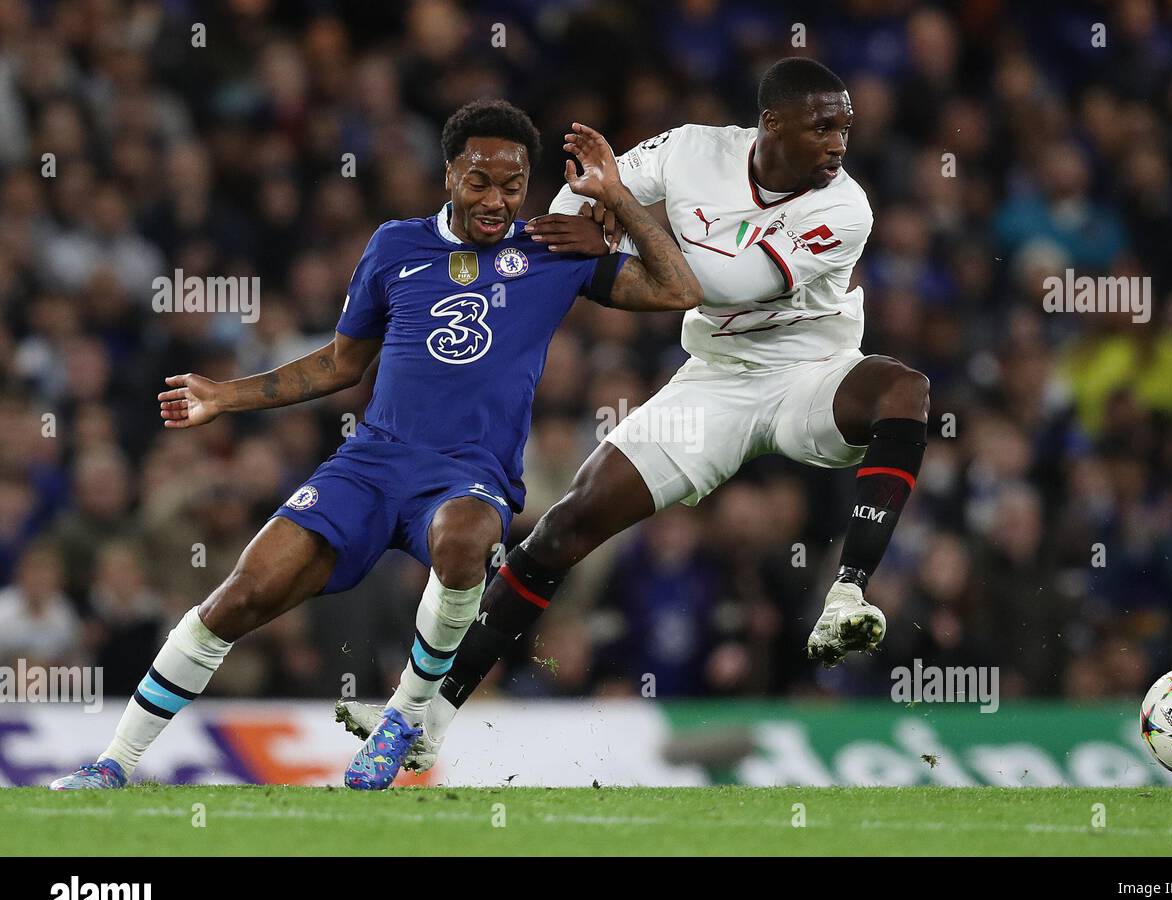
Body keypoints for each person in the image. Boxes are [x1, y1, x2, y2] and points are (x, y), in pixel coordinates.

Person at [49, 99, 702, 790]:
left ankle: (404, 717)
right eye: (480, 182)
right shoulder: (396, 246)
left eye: (512, 186)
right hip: (370, 466)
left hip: (468, 472)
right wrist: (224, 395)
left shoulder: (555, 248)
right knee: (238, 598)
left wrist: (618, 200)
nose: (496, 200)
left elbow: (679, 288)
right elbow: (341, 364)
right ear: (449, 175)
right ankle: (112, 764)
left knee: (465, 542)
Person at [339, 58, 929, 774]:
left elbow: (725, 282)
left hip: (812, 372)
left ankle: (848, 590)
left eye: (845, 128)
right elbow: (572, 204)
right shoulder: (690, 150)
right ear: (772, 123)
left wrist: (618, 221)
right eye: (823, 127)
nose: (839, 143)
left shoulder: (847, 207)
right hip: (715, 383)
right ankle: (432, 715)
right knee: (564, 528)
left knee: (904, 390)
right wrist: (596, 209)